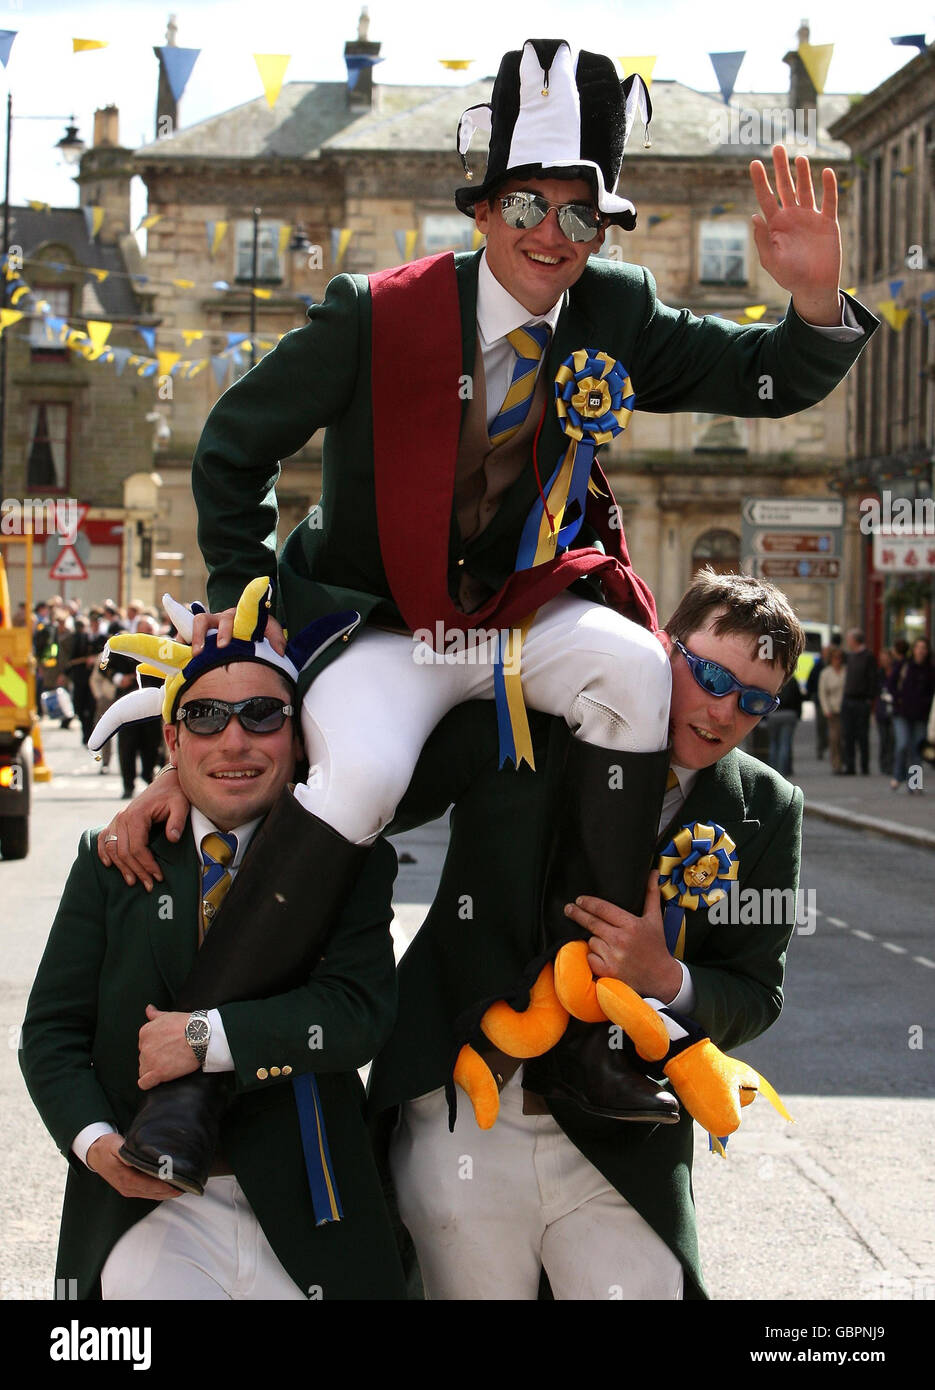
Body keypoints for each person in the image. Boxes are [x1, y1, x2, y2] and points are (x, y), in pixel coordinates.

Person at [367, 569, 804, 1300]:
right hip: (466, 1106)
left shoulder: (765, 805)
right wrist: (186, 778)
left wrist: (664, 978)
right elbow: (372, 793)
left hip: (620, 1133)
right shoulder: (532, 723)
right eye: (709, 676)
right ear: (662, 650)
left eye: (755, 701)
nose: (723, 712)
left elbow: (757, 990)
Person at [19, 580, 406, 1300]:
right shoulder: (110, 860)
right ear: (171, 739)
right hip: (148, 1213)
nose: (235, 740)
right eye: (204, 717)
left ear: (297, 737)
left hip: (308, 1206)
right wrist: (96, 1146)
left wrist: (205, 1036)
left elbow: (357, 1015)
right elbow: (51, 1034)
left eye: (262, 716)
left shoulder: (347, 862)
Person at [890, 636, 935, 793]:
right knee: (902, 745)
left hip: (921, 715)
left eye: (924, 648)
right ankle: (897, 776)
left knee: (917, 750)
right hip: (902, 713)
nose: (921, 651)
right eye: (918, 647)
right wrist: (899, 699)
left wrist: (926, 705)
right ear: (914, 650)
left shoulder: (930, 670)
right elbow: (891, 684)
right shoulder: (905, 665)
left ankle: (915, 784)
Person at [840, 628, 877, 775]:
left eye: (849, 639)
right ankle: (850, 766)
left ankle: (864, 766)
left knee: (862, 735)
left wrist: (869, 699)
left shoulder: (868, 657)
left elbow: (872, 679)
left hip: (862, 701)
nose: (848, 642)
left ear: (855, 640)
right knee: (848, 735)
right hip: (848, 700)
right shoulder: (849, 656)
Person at [767, 673, 802, 777]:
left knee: (773, 743)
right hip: (789, 714)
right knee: (785, 744)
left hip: (773, 714)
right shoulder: (792, 680)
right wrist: (798, 714)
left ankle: (772, 772)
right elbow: (798, 699)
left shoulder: (772, 678)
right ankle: (782, 771)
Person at [818, 645, 847, 773]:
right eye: (835, 658)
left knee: (844, 738)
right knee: (834, 739)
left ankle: (845, 760)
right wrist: (826, 710)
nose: (837, 660)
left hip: (845, 709)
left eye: (840, 658)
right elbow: (822, 693)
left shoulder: (846, 671)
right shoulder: (826, 673)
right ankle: (836, 764)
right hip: (832, 711)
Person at [805, 646, 827, 759]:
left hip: (831, 702)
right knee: (821, 727)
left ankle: (826, 747)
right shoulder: (818, 666)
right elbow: (811, 682)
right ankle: (821, 748)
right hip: (819, 700)